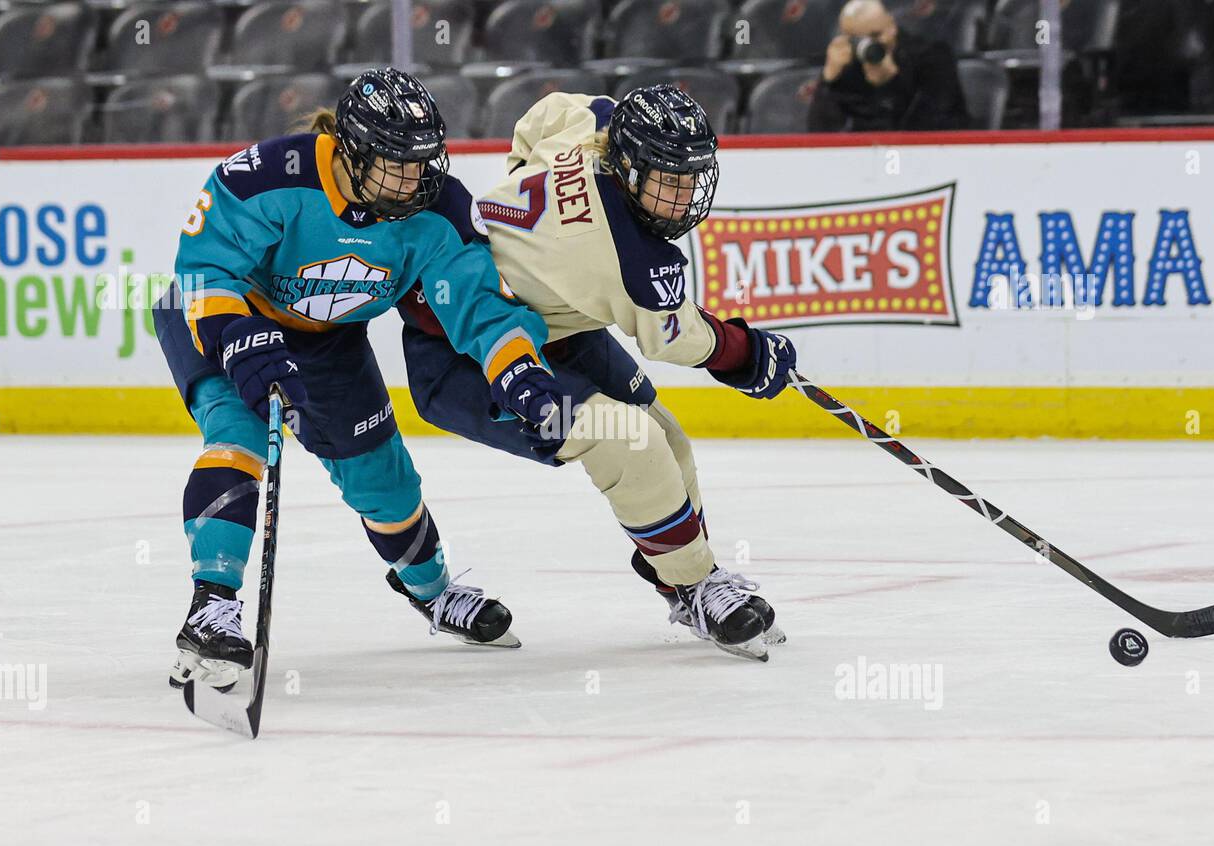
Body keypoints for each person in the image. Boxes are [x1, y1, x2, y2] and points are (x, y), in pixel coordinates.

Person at [153, 68, 568, 690]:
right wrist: (237, 337)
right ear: (351, 150)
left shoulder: (438, 209)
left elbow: (479, 307)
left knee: (385, 481)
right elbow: (205, 267)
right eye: (396, 163)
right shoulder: (269, 176)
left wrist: (520, 370)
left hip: (329, 341)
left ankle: (432, 593)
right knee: (236, 436)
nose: (413, 178)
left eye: (423, 161)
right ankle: (211, 608)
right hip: (226, 316)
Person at [398, 85, 797, 662]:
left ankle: (683, 581)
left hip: (552, 326)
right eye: (668, 180)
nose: (684, 197)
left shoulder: (596, 125)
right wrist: (748, 354)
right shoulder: (627, 258)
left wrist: (526, 239)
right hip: (467, 358)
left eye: (691, 178)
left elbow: (544, 114)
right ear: (630, 169)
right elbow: (677, 338)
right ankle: (698, 583)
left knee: (667, 436)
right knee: (630, 442)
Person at [809, 0, 969, 132]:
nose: (868, 45)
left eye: (875, 35)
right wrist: (828, 80)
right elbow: (819, 135)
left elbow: (929, 130)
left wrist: (891, 84)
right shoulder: (847, 67)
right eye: (856, 39)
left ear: (891, 26)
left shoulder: (933, 57)